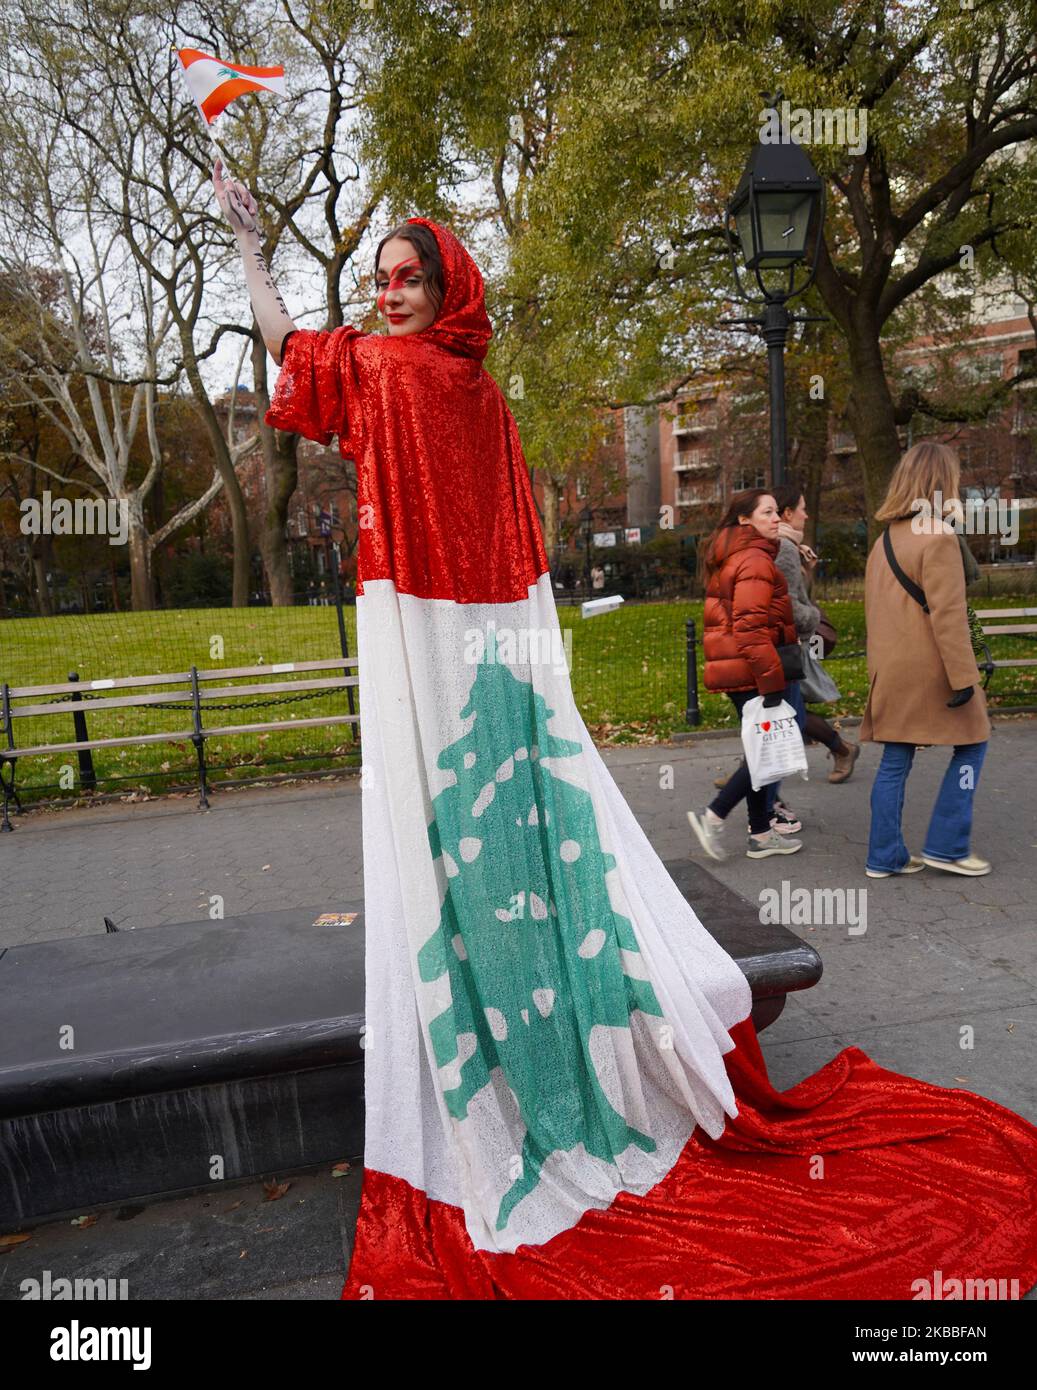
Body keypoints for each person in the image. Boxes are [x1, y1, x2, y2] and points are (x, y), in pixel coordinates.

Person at [212, 167, 1037, 1299]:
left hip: (436, 645)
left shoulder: (408, 377)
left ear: (443, 288)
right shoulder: (467, 390)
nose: (389, 294)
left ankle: (509, 1088)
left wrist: (248, 248)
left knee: (452, 847)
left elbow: (291, 350)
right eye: (379, 279)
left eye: (409, 278)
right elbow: (317, 362)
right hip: (485, 651)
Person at [860, 441, 991, 877]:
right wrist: (964, 678)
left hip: (890, 670)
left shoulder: (884, 541)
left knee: (896, 758)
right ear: (942, 482)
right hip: (934, 669)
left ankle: (884, 856)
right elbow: (949, 617)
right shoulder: (938, 537)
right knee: (974, 742)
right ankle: (947, 846)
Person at [687, 490, 805, 861]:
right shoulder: (753, 559)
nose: (777, 519)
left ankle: (760, 832)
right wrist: (771, 683)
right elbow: (751, 628)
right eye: (767, 512)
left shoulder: (741, 554)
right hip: (753, 670)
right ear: (744, 520)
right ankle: (715, 814)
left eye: (776, 512)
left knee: (763, 747)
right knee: (764, 749)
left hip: (742, 666)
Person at [771, 483, 860, 783]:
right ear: (788, 513)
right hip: (785, 639)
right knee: (779, 709)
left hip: (788, 641)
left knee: (786, 710)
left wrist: (812, 616)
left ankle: (842, 748)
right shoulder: (784, 546)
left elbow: (793, 603)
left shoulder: (784, 547)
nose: (806, 516)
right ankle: (750, 771)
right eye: (803, 509)